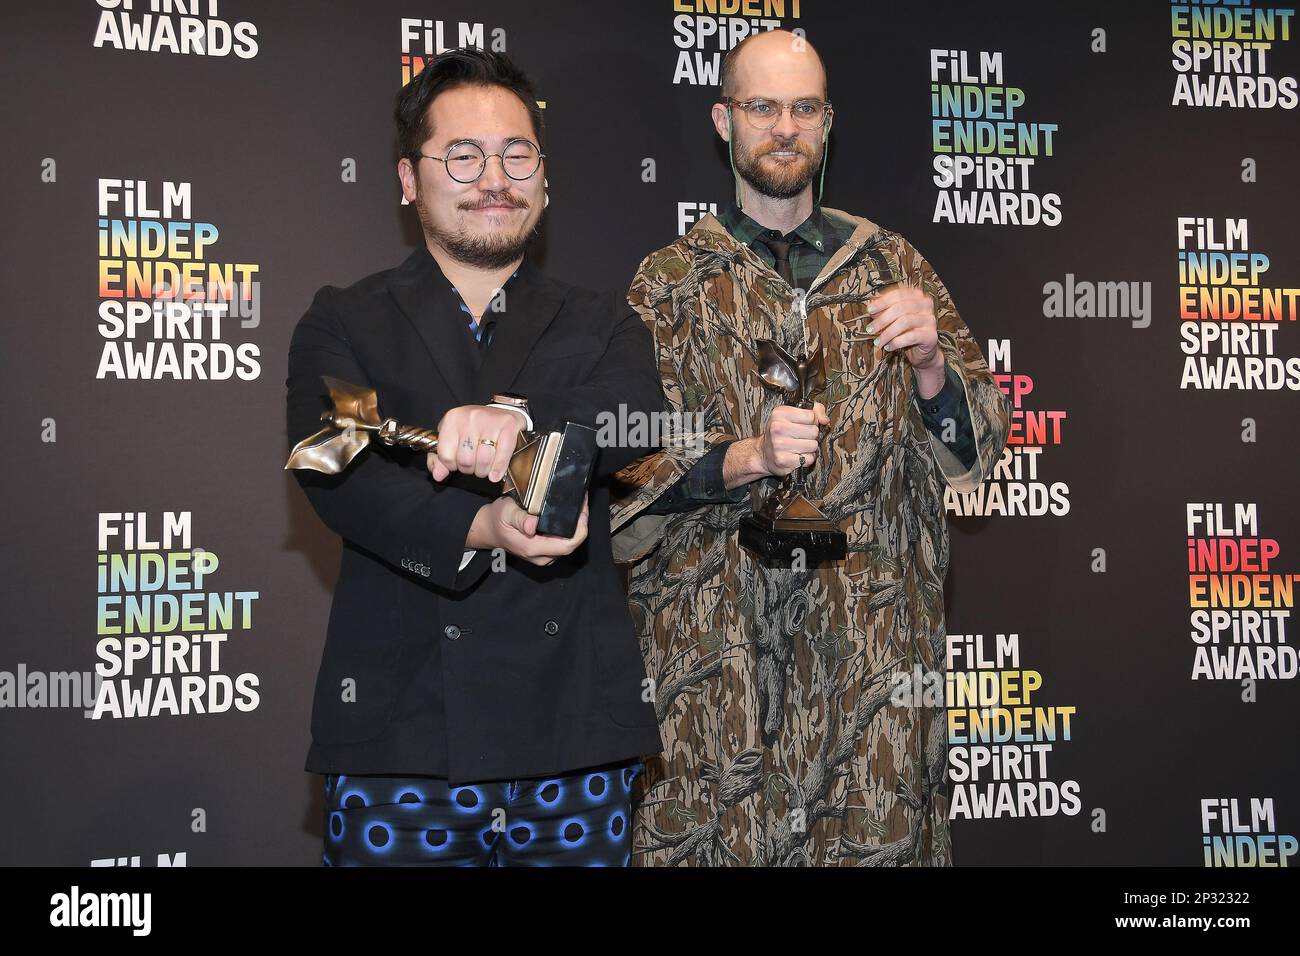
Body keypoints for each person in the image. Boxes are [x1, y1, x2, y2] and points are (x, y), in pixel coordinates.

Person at [610, 29, 1012, 866]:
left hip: (870, 669)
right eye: (762, 107)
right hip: (717, 672)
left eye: (803, 109)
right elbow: (619, 477)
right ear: (724, 121)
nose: (783, 127)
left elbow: (976, 454)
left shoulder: (893, 267)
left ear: (827, 124)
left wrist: (934, 365)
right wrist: (742, 457)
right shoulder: (670, 282)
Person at [285, 48, 663, 866]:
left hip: (575, 739)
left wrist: (517, 423)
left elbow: (638, 422)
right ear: (408, 180)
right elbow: (336, 474)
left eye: (516, 153)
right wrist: (485, 524)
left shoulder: (602, 321)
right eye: (462, 155)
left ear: (544, 175)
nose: (495, 176)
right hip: (402, 739)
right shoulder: (344, 319)